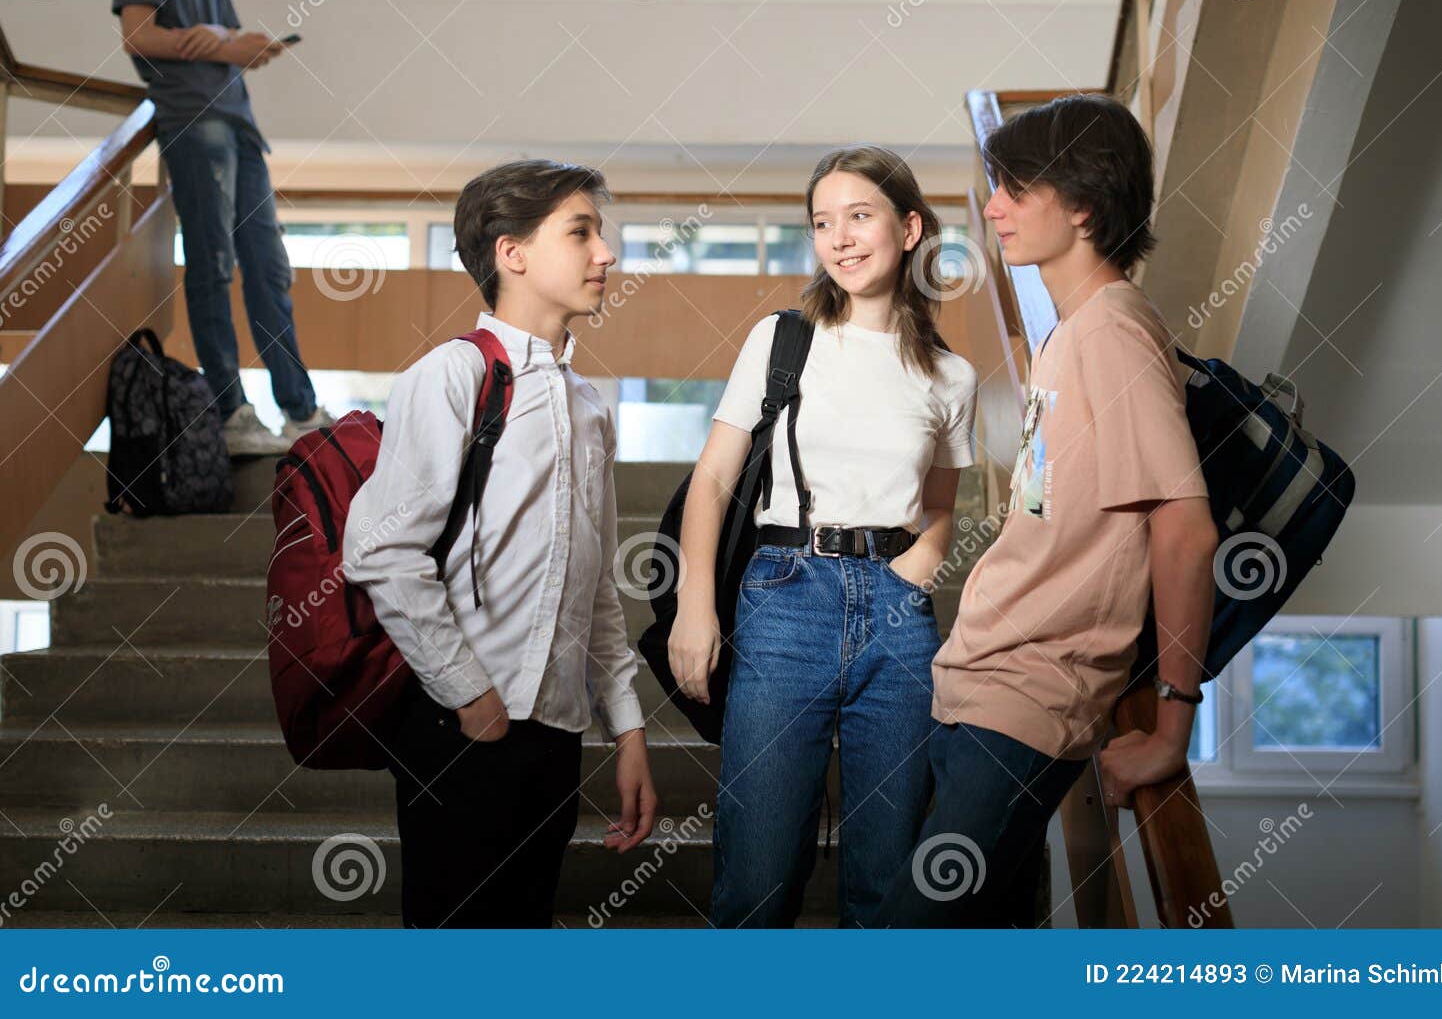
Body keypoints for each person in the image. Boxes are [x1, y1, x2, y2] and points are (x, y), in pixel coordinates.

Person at [877, 94, 1218, 927]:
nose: (992, 208)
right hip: (984, 682)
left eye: (1015, 189)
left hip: (1029, 699)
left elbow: (1185, 528)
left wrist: (1173, 727)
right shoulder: (1073, 333)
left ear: (1083, 205)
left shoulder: (1112, 332)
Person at [342, 159, 657, 928]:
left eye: (601, 234)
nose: (605, 253)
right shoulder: (450, 375)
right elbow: (381, 549)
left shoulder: (589, 406)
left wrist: (628, 725)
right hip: (457, 723)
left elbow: (597, 588)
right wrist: (470, 692)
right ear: (511, 253)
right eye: (580, 232)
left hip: (554, 731)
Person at [669, 145, 978, 928]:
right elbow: (710, 481)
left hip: (899, 616)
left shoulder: (952, 376)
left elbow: (942, 505)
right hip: (784, 596)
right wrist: (694, 608)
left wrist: (916, 571)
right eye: (822, 222)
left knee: (886, 877)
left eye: (860, 216)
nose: (839, 237)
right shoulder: (782, 339)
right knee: (760, 868)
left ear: (910, 229)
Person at [112, 0, 331, 455]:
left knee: (268, 268)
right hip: (193, 119)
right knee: (212, 263)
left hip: (240, 125)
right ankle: (232, 412)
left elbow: (223, 45)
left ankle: (301, 409)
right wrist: (214, 37)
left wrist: (239, 47)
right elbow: (138, 35)